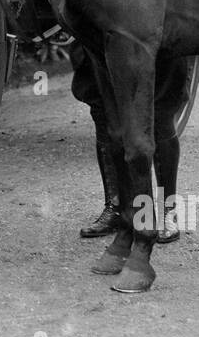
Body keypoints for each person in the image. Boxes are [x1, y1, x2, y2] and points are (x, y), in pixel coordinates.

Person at [70, 44, 181, 244]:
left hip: (157, 30)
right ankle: (116, 207)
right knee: (102, 109)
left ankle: (168, 210)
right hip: (100, 33)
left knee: (160, 109)